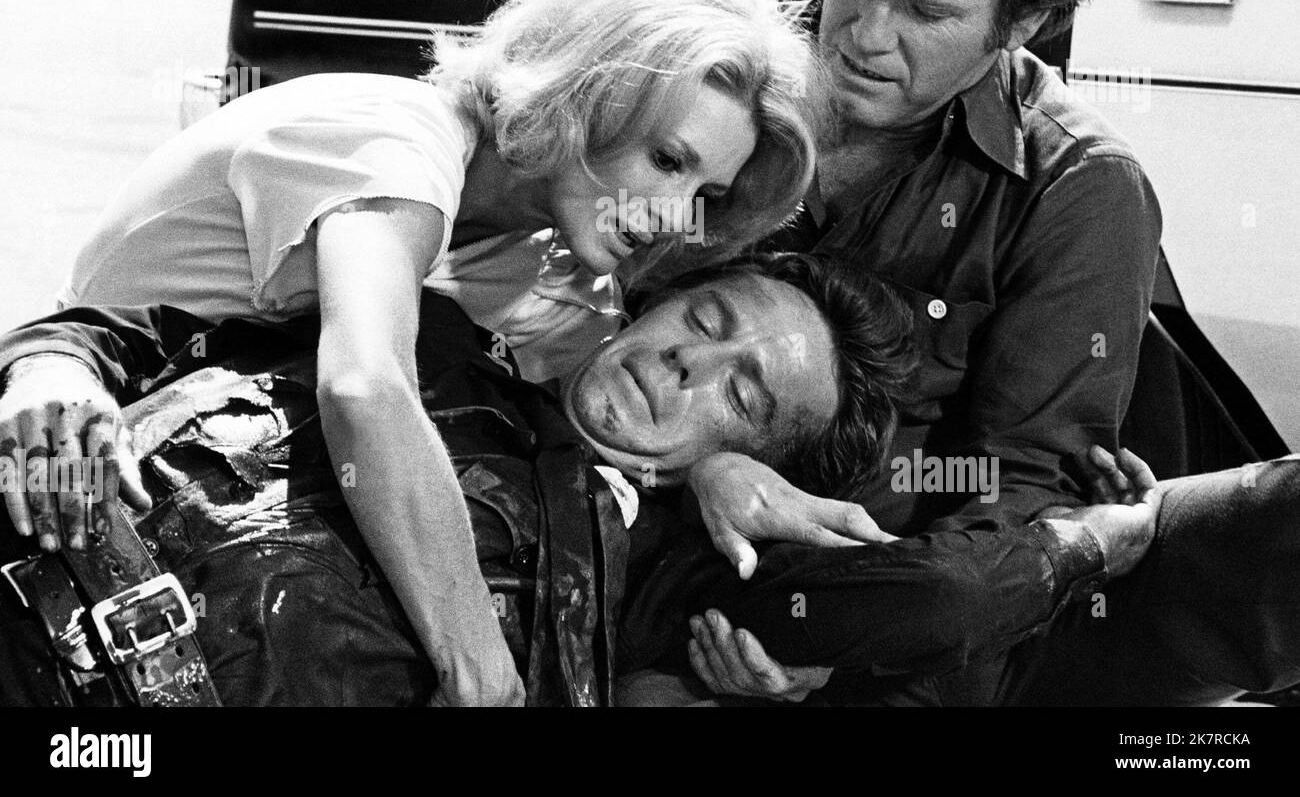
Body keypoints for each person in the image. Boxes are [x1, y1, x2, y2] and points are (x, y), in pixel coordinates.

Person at [35, 0, 825, 705]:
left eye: (705, 194)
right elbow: (365, 388)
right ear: (588, 91)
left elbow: (600, 440)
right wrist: (477, 664)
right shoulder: (400, 142)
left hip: (202, 552)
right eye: (667, 160)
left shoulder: (544, 263)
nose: (677, 214)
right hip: (79, 477)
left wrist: (714, 472)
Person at [652, 0, 1300, 706]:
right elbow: (567, 312)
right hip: (627, 518)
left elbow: (1012, 518)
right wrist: (700, 465)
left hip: (882, 615)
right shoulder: (722, 78)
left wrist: (849, 648)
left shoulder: (1079, 190)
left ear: (1021, 21)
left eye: (926, 12)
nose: (864, 35)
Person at [0, 254, 1156, 706]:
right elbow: (135, 330)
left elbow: (937, 599)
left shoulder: (664, 582)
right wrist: (51, 368)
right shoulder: (425, 333)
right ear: (654, 300)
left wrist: (1100, 534)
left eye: (742, 396)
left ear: (755, 462)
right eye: (704, 321)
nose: (685, 365)